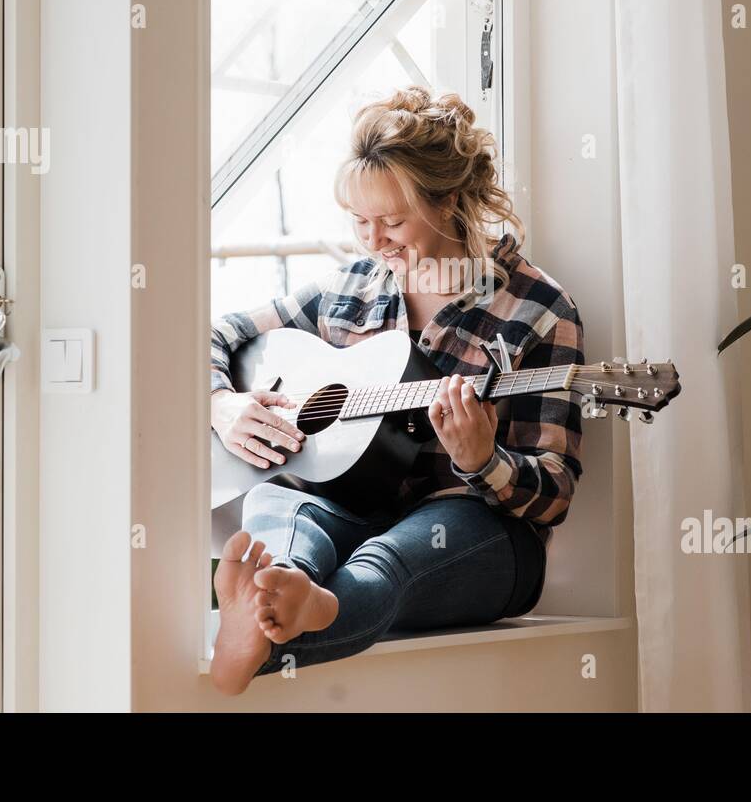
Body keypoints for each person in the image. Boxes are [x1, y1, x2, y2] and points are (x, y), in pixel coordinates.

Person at [208, 86, 585, 695]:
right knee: (278, 505)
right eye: (360, 222)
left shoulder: (539, 310)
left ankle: (304, 613)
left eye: (391, 221)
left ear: (452, 201)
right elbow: (220, 334)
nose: (373, 241)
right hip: (350, 511)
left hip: (475, 536)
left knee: (389, 560)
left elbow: (555, 493)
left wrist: (482, 462)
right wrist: (222, 403)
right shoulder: (349, 289)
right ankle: (277, 585)